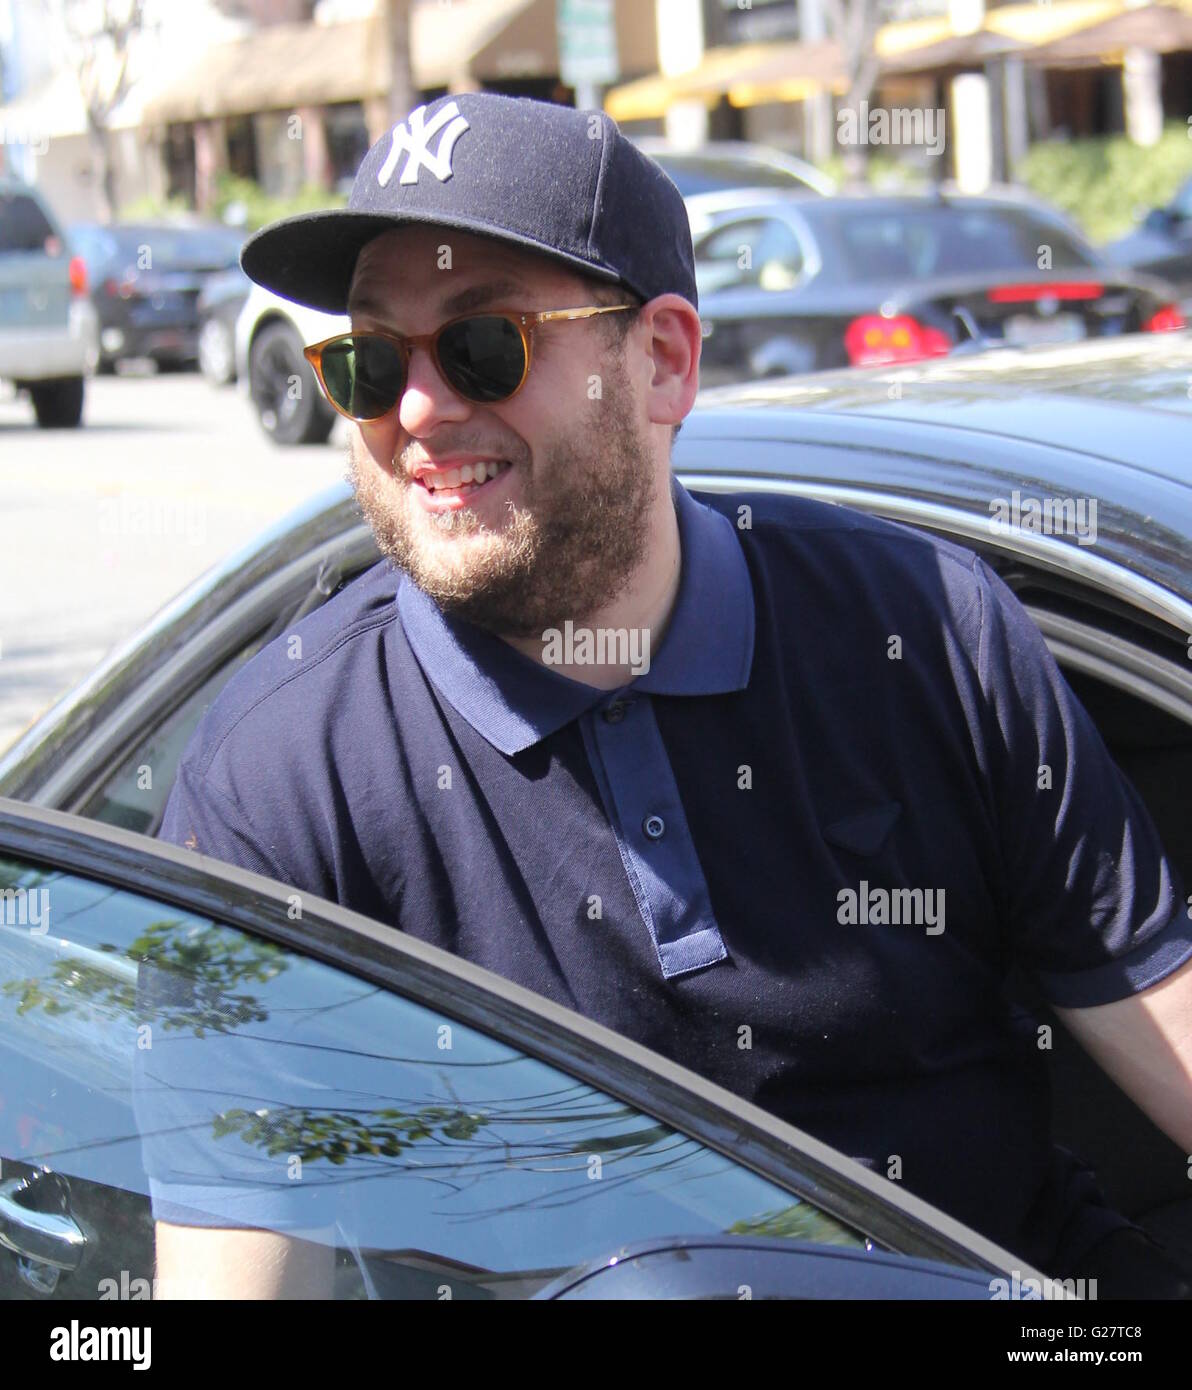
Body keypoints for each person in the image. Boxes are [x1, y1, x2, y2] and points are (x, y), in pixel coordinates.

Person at [149, 92, 1192, 1297]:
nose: (420, 413)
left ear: (662, 362)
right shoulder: (279, 773)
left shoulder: (929, 631)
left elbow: (1162, 1023)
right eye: (368, 361)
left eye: (487, 343)